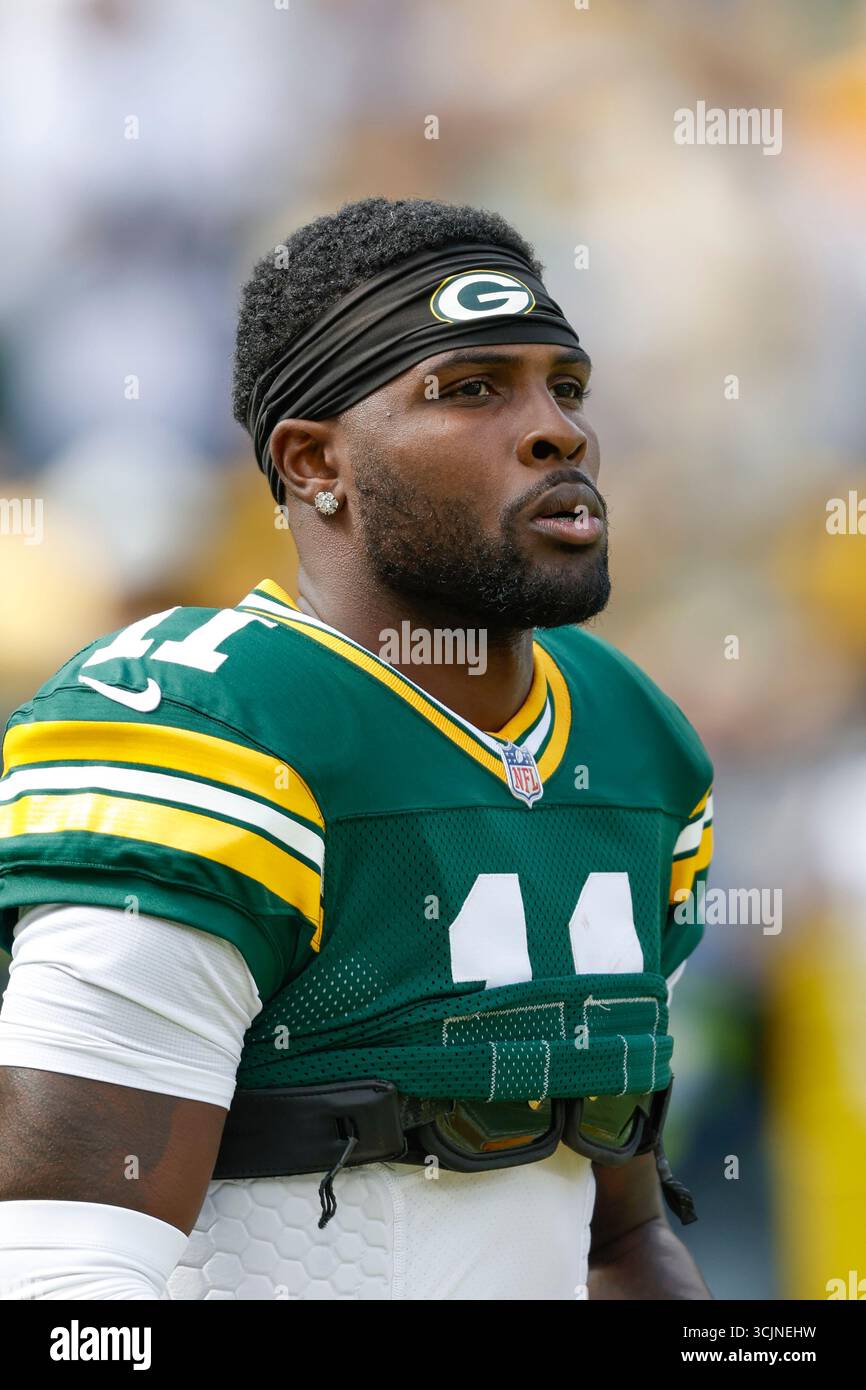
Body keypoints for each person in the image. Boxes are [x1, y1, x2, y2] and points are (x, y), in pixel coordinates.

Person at [0, 195, 714, 1300]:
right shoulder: (215, 729)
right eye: (471, 389)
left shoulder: (631, 739)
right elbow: (61, 1279)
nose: (558, 430)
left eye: (562, 387)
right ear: (314, 462)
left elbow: (610, 1235)